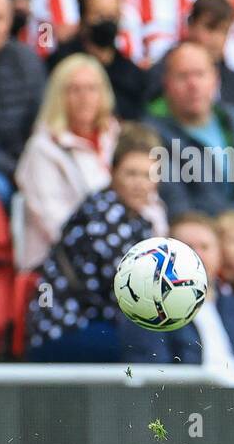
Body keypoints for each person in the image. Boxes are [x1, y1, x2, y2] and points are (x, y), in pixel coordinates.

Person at [25, 122, 162, 362]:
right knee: (149, 343)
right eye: (131, 173)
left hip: (103, 324)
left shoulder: (139, 221)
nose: (140, 184)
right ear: (112, 172)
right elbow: (131, 294)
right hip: (65, 329)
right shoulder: (101, 213)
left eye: (148, 175)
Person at [119, 211, 234, 385]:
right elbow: (155, 381)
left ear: (219, 254)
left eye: (205, 247)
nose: (197, 256)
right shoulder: (148, 309)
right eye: (188, 247)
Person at [144, 41, 234, 233]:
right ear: (167, 83)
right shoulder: (151, 135)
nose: (193, 84)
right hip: (193, 246)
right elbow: (175, 202)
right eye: (183, 76)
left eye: (199, 74)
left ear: (215, 78)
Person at [13, 52, 121, 270]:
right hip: (63, 264)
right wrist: (109, 247)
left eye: (92, 88)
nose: (85, 97)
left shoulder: (118, 138)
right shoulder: (42, 148)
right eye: (75, 89)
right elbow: (54, 222)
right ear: (58, 96)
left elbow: (148, 203)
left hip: (120, 255)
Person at [46, 0, 146, 118]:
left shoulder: (131, 72)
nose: (107, 22)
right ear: (82, 20)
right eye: (99, 16)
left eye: (112, 17)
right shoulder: (60, 63)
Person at [0, 0, 43, 208]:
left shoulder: (27, 61)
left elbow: (41, 119)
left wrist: (30, 166)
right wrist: (13, 170)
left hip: (26, 160)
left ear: (10, 22)